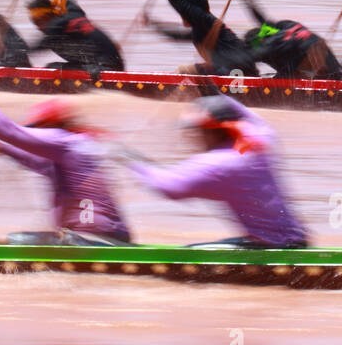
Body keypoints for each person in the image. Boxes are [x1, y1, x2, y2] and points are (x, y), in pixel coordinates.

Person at [0, 70, 130, 244]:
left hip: (90, 239)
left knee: (5, 243)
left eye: (37, 129)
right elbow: (23, 153)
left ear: (49, 126)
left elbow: (5, 130)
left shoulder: (61, 140)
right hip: (105, 237)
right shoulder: (71, 150)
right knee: (9, 241)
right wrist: (0, 147)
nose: (36, 135)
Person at [126, 95, 307, 248]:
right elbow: (243, 112)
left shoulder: (219, 163)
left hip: (268, 245)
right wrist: (211, 94)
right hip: (296, 239)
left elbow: (169, 187)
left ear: (214, 132)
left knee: (186, 253)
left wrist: (133, 162)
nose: (195, 139)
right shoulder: (260, 137)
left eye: (199, 132)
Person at [146, 0, 258, 75]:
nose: (182, 14)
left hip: (237, 72)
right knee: (187, 71)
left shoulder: (203, 18)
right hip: (240, 71)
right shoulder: (202, 28)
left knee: (184, 70)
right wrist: (152, 24)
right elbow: (176, 35)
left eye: (185, 10)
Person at [239, 0, 342, 80]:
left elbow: (263, 23)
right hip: (328, 70)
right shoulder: (281, 31)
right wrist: (247, 0)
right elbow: (263, 21)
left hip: (323, 73)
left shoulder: (277, 42)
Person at [26, 0, 124, 76]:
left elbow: (33, 49)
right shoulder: (73, 11)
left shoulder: (56, 28)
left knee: (53, 68)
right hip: (116, 64)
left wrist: (17, 53)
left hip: (102, 69)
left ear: (47, 16)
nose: (37, 27)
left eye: (37, 22)